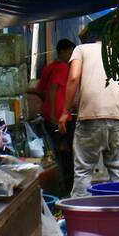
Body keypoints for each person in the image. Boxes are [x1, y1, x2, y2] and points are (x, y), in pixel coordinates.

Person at [58, 31, 119, 197]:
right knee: (118, 171)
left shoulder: (80, 50)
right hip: (116, 118)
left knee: (83, 171)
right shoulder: (118, 53)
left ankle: (81, 216)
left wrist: (65, 111)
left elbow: (73, 78)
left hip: (89, 118)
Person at [37, 38, 76, 192]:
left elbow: (40, 90)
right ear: (62, 52)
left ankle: (60, 185)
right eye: (70, 52)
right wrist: (54, 112)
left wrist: (47, 107)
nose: (72, 55)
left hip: (50, 115)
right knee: (66, 152)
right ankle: (67, 186)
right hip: (60, 117)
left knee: (54, 153)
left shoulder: (49, 67)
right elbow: (53, 88)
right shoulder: (62, 67)